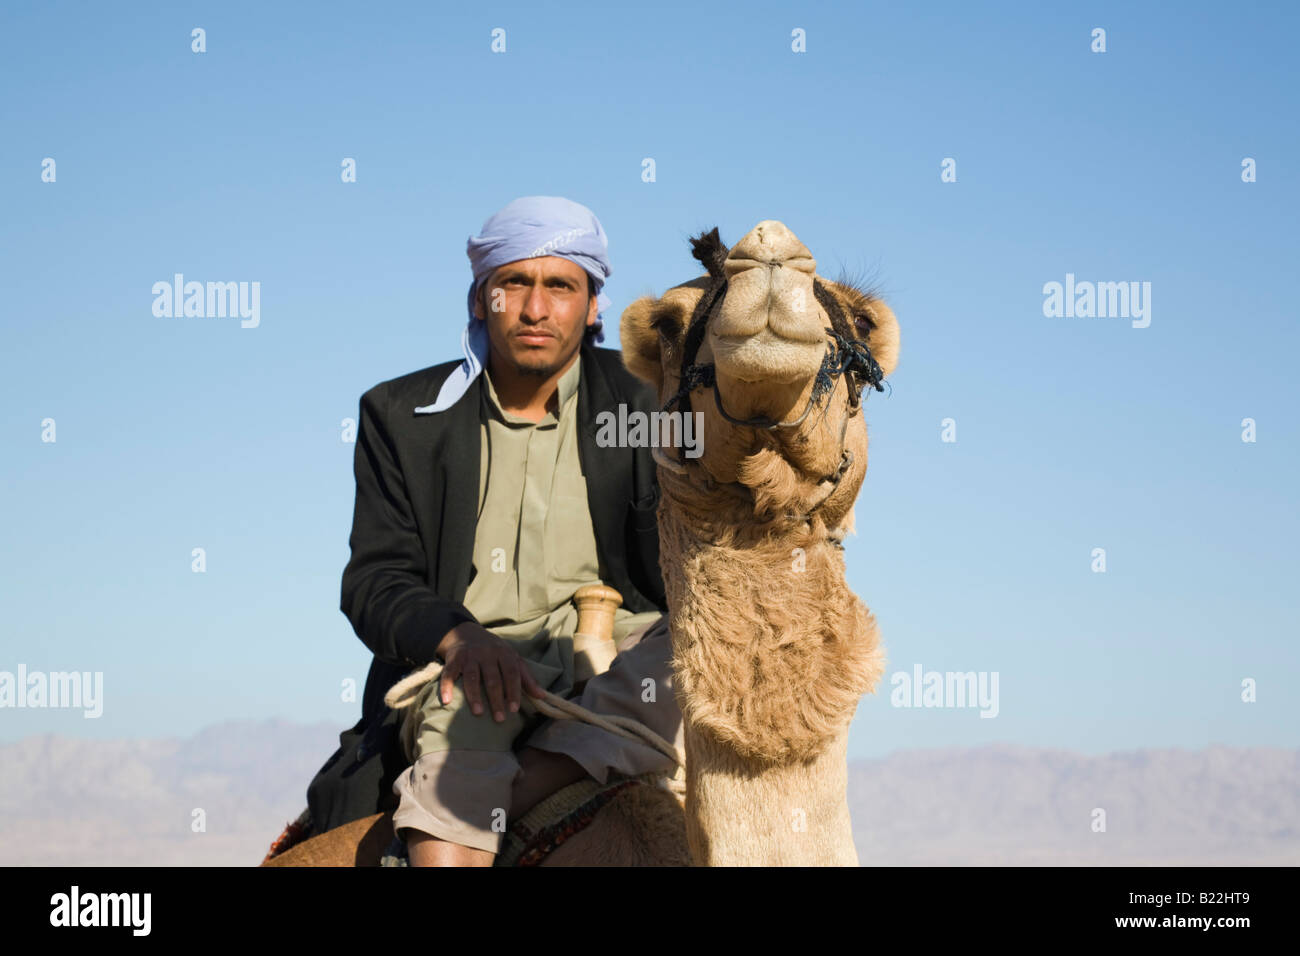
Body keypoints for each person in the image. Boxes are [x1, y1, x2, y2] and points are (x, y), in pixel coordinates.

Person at [305, 196, 681, 866]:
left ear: (593, 304)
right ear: (481, 301)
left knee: (695, 656)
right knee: (465, 718)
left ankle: (527, 783)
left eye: (560, 287)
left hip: (621, 658)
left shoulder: (646, 405)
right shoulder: (404, 415)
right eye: (513, 284)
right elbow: (374, 580)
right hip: (481, 665)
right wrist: (460, 637)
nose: (535, 310)